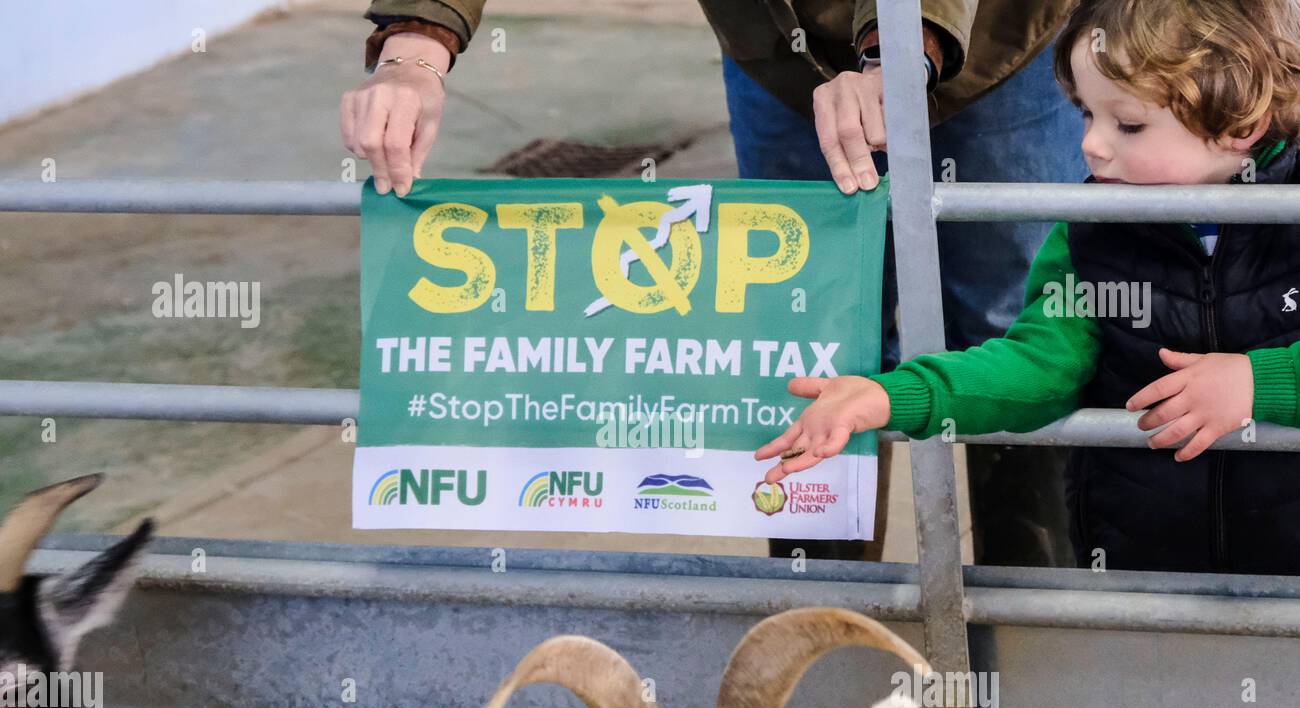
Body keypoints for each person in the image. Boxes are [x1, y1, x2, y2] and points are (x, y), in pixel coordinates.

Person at [340, 0, 1086, 566]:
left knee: (1012, 325)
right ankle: (820, 651)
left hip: (994, 45)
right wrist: (416, 41)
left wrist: (902, 46)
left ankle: (1025, 643)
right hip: (778, 52)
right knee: (809, 334)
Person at [756, 0, 1300, 576]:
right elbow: (1039, 365)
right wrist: (889, 396)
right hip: (1147, 574)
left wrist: (1258, 384)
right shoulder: (1091, 236)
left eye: (1128, 124)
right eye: (1086, 114)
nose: (1091, 145)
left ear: (1243, 125)